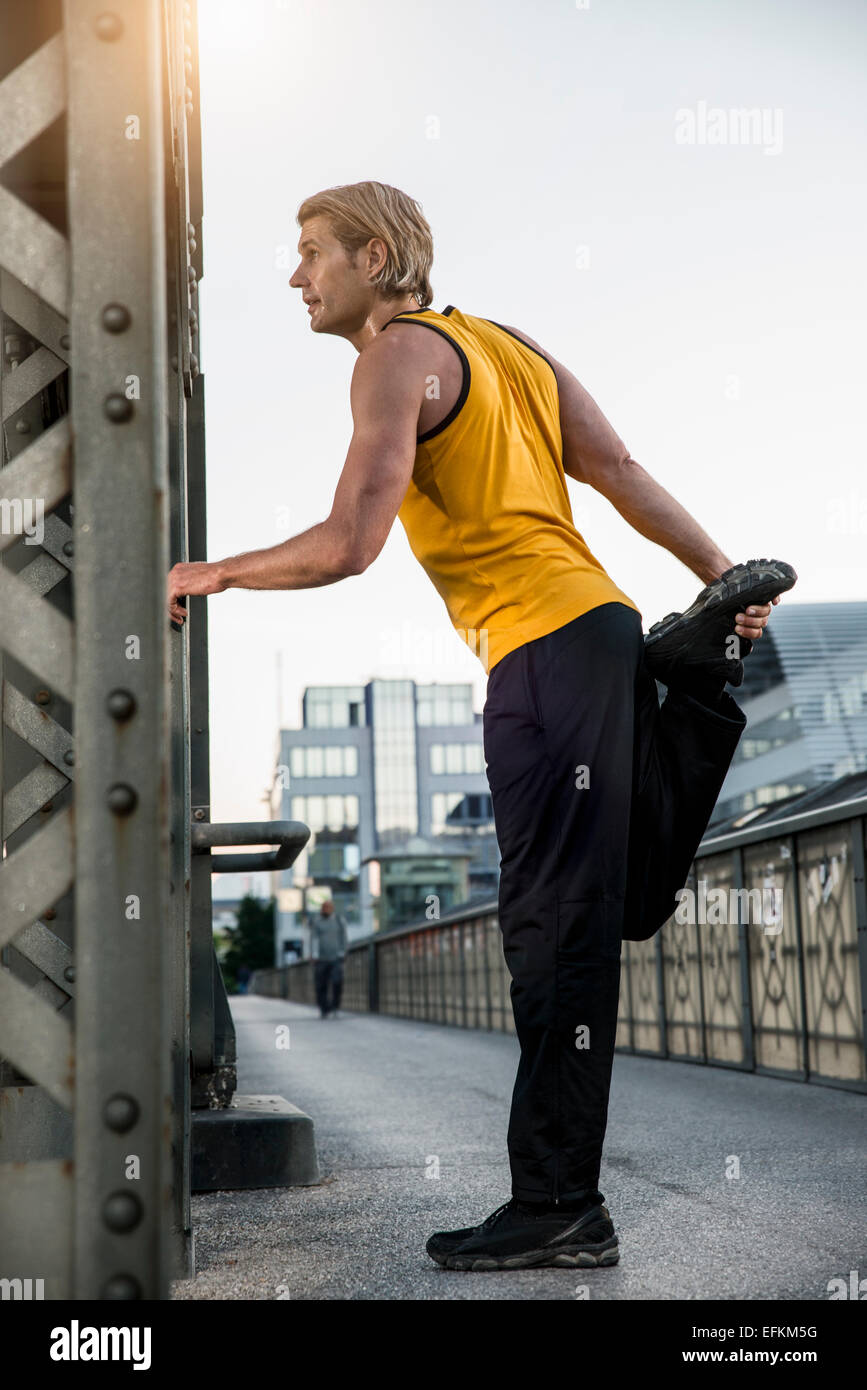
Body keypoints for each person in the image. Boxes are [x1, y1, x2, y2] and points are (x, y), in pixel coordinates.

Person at [166, 180, 796, 1271]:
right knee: (612, 902)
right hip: (601, 629)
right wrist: (723, 577)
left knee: (554, 927)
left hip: (541, 659)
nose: (295, 274)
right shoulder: (512, 349)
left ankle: (558, 1200)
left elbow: (350, 540)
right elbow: (620, 473)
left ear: (374, 258)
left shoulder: (392, 356)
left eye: (312, 251)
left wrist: (214, 570)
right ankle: (690, 664)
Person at [310, 899, 347, 1019]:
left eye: (328, 907)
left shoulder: (339, 920)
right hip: (321, 958)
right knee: (321, 985)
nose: (325, 909)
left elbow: (344, 937)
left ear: (332, 908)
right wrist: (314, 955)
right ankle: (324, 1009)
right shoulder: (317, 922)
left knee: (337, 982)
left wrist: (343, 952)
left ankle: (335, 1006)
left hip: (336, 957)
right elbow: (314, 939)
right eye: (323, 907)